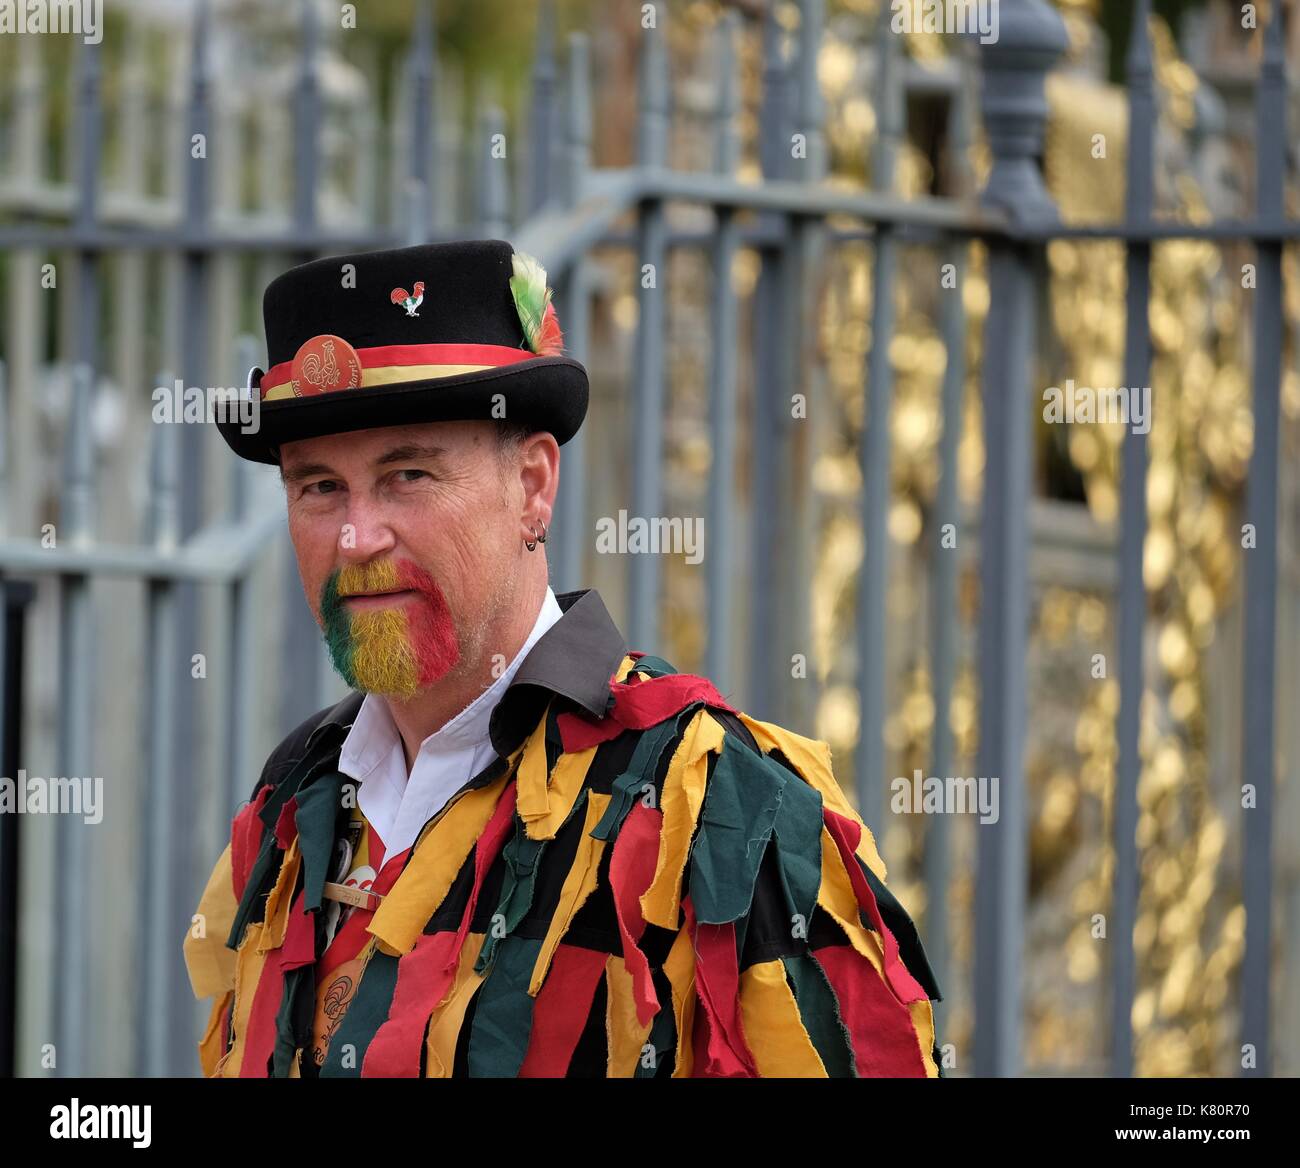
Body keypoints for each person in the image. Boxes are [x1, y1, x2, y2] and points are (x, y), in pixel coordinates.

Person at [183, 237, 943, 1077]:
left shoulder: (724, 808)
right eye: (319, 486)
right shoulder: (294, 797)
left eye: (408, 475)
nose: (358, 537)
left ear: (534, 487)